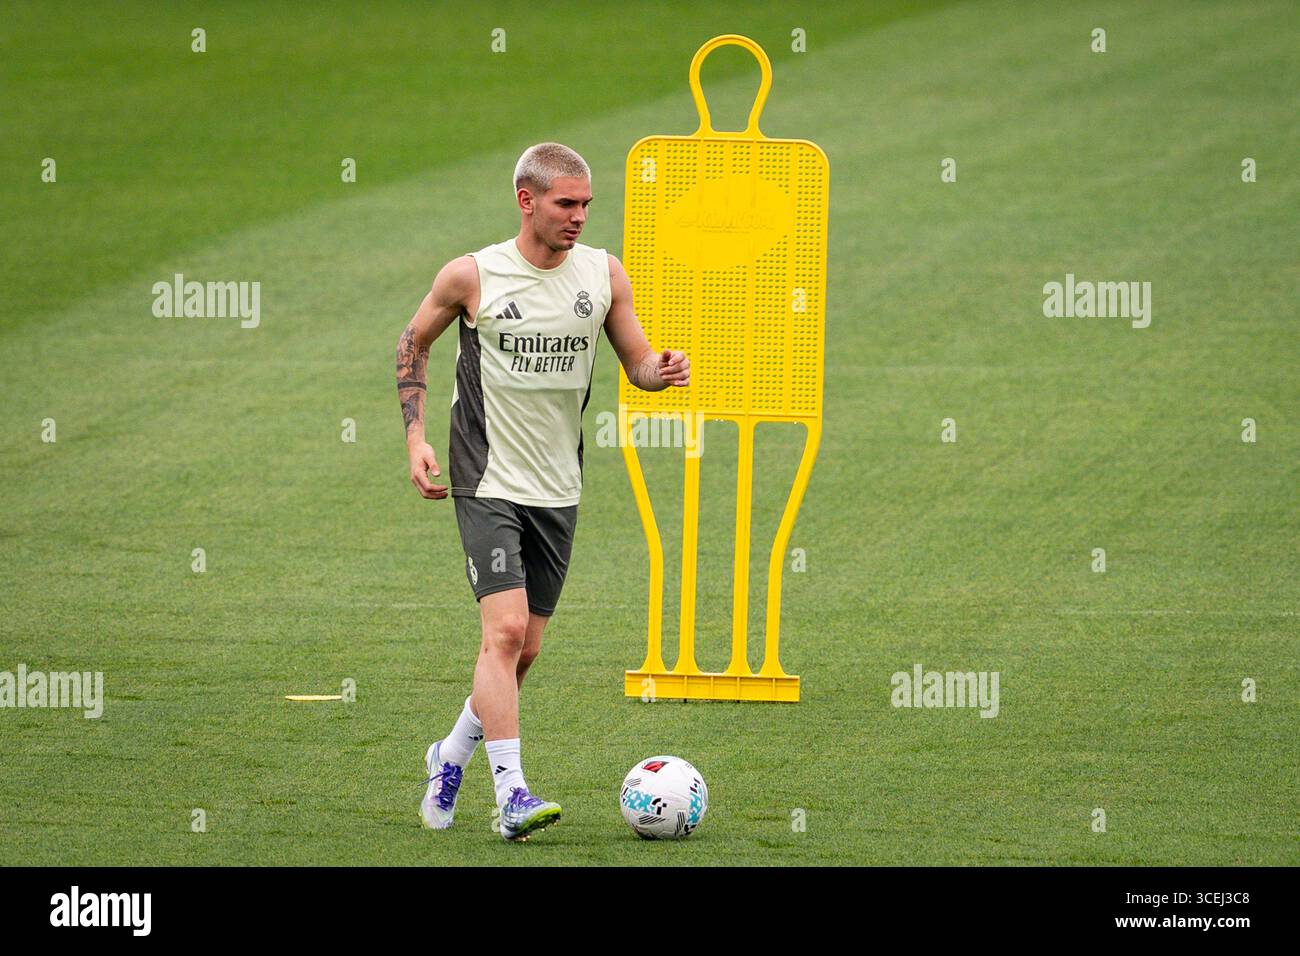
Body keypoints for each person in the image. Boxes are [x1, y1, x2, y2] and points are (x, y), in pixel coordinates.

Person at [395, 142, 690, 841]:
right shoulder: (474, 276)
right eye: (566, 203)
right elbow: (413, 341)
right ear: (527, 201)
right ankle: (513, 797)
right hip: (486, 476)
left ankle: (451, 753)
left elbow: (636, 363)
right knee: (499, 633)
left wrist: (661, 368)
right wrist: (416, 437)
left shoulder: (603, 274)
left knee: (523, 650)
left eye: (587, 203)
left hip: (559, 484)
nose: (580, 216)